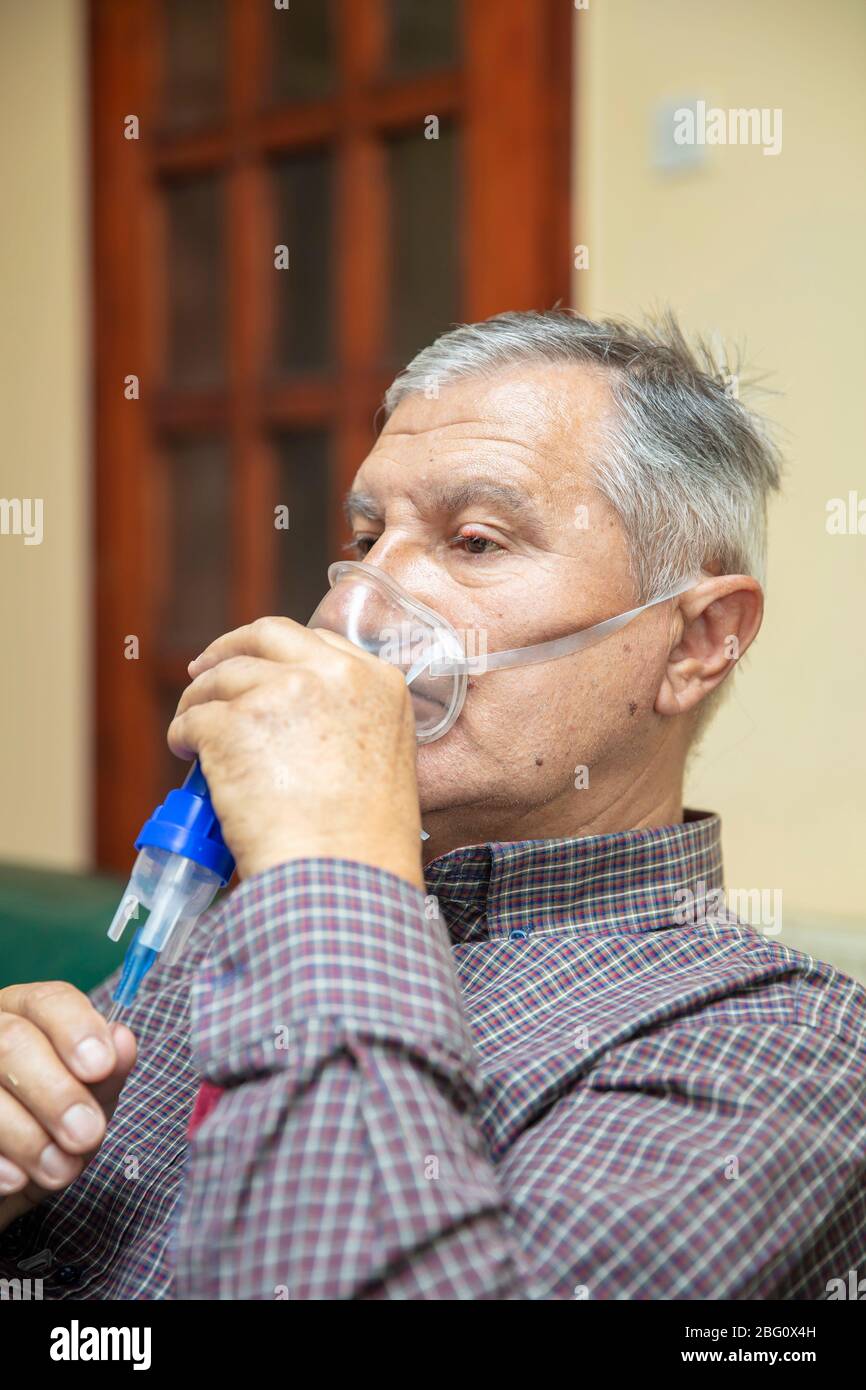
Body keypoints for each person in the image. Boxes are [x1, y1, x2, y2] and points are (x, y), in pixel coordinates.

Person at [1, 310, 864, 1299]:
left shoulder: (780, 1050)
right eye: (366, 535)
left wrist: (329, 862)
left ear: (696, 639)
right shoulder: (232, 925)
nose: (352, 606)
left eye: (475, 539)